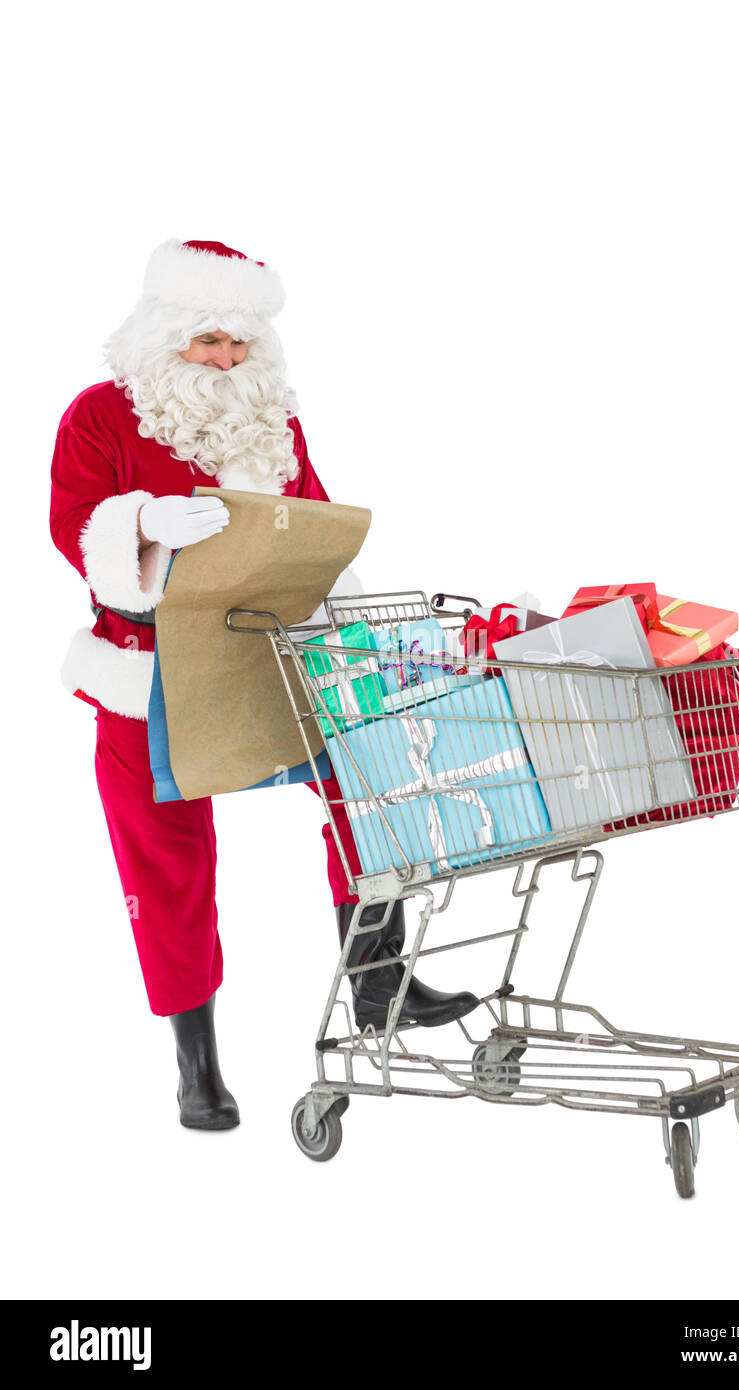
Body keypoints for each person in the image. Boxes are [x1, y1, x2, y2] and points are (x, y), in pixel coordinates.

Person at [49, 238, 478, 1131]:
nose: (228, 360)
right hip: (150, 669)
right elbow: (72, 530)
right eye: (209, 341)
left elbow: (312, 520)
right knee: (165, 862)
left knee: (366, 787)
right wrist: (140, 527)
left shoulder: (270, 416)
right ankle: (196, 1064)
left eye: (242, 343)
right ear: (164, 336)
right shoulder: (99, 415)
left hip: (279, 654)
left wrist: (347, 612)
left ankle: (378, 984)